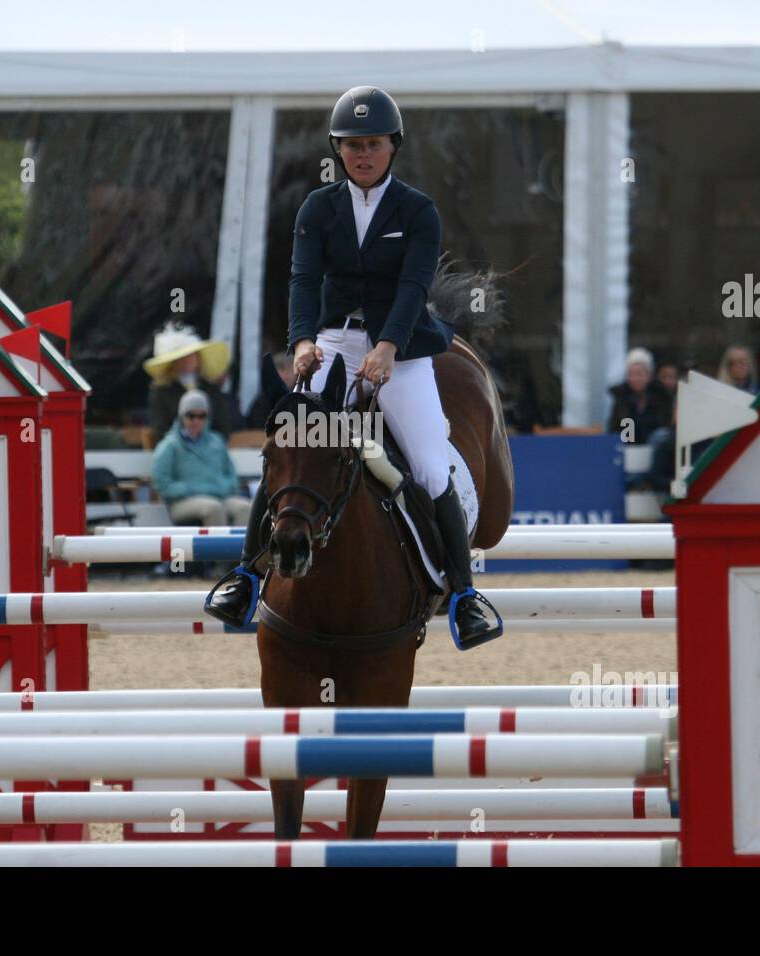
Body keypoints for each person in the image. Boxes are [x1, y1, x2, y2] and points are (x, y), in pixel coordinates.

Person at [204, 85, 502, 648]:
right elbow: (302, 281)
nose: (362, 154)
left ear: (393, 146)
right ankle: (245, 575)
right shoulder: (319, 208)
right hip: (335, 341)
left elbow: (414, 286)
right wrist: (300, 344)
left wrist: (388, 347)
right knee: (294, 445)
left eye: (372, 144)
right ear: (338, 151)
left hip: (404, 350)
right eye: (351, 145)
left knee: (431, 467)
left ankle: (464, 595)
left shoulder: (417, 211)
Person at [151, 390, 251, 528]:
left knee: (245, 508)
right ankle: (217, 550)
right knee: (213, 508)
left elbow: (231, 475)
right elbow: (162, 483)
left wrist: (222, 487)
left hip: (219, 496)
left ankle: (241, 550)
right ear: (181, 416)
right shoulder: (169, 445)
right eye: (191, 415)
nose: (196, 421)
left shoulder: (217, 441)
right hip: (182, 502)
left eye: (201, 415)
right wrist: (191, 489)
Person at [143, 322, 233, 445]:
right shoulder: (160, 392)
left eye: (191, 355)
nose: (186, 360)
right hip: (176, 454)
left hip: (210, 454)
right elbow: (160, 429)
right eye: (180, 357)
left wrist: (209, 447)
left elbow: (223, 427)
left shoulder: (211, 389)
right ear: (172, 362)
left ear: (198, 357)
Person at [606, 347, 672, 444]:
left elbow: (666, 427)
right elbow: (614, 428)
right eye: (631, 374)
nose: (636, 379)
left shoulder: (662, 397)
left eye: (640, 374)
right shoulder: (621, 398)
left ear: (649, 376)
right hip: (629, 449)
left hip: (655, 450)